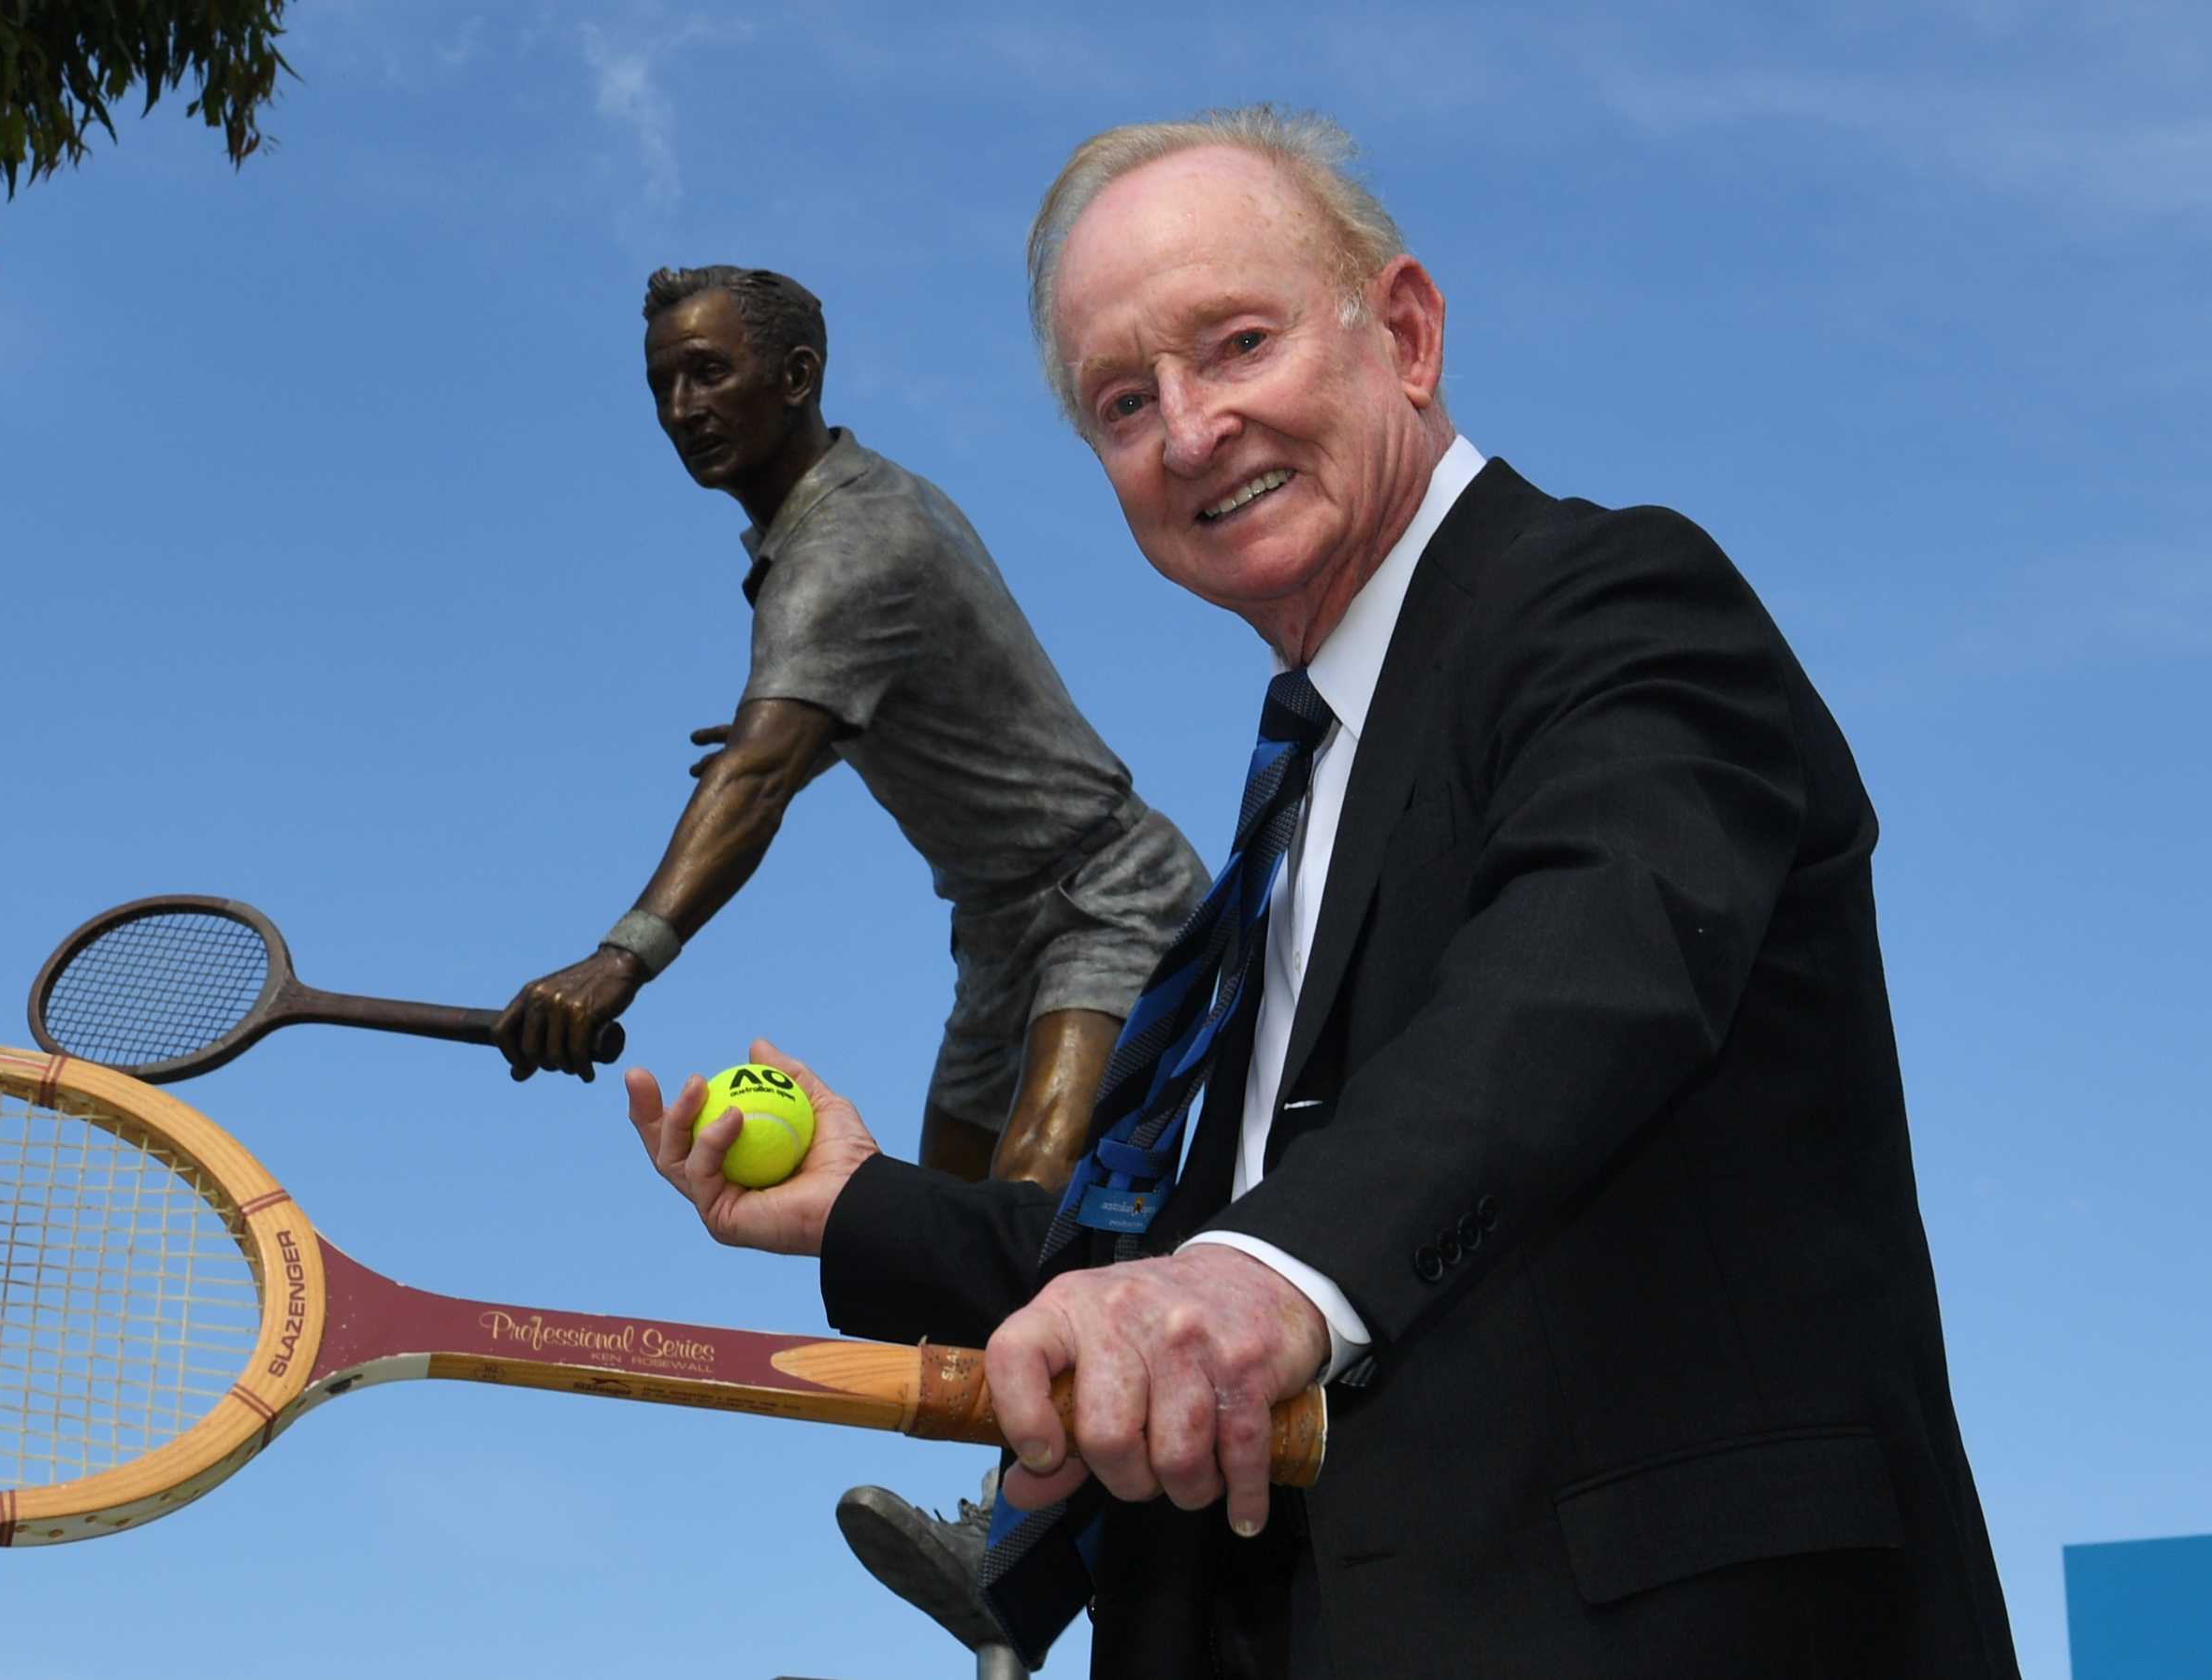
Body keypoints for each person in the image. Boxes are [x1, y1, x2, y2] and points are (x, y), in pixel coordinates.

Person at [622, 108, 2020, 1678]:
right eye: (1124, 402)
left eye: (1237, 343)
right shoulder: (1284, 821)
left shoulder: (1617, 608)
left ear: (1405, 335)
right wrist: (862, 1205)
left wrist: (1249, 1279)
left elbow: (1588, 966)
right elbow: (1185, 1266)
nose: (1193, 429)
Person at [491, 265, 1210, 1648]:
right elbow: (783, 749)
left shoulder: (851, 543)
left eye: (709, 374)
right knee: (938, 1265)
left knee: (1033, 1233)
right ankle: (1042, 1550)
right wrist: (778, 746)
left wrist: (618, 960)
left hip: (1108, 898)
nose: (682, 408)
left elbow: (757, 779)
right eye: (661, 385)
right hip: (999, 931)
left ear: (799, 375)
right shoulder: (811, 540)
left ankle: (1014, 1568)